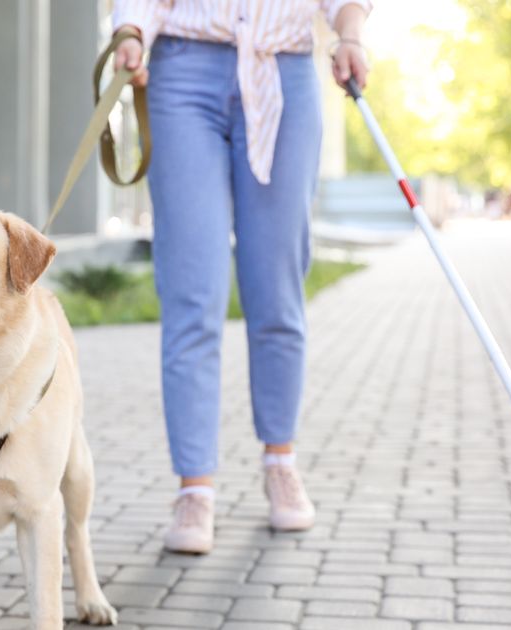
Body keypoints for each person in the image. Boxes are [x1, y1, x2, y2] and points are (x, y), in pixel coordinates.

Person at [112, 0, 371, 554]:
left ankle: (281, 462)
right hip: (182, 71)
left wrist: (350, 34)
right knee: (191, 295)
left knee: (277, 293)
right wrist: (130, 31)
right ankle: (194, 489)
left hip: (287, 70)